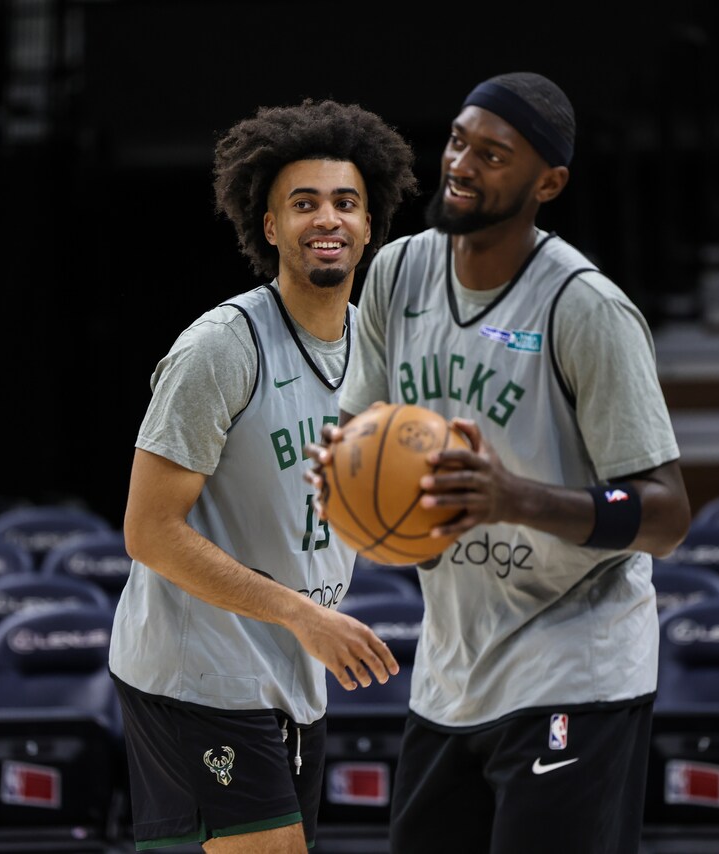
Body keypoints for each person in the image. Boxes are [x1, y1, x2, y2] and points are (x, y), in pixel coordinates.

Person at [306, 71, 692, 853]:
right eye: (457, 140)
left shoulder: (584, 308)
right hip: (452, 668)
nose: (462, 164)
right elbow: (359, 428)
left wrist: (512, 498)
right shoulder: (397, 273)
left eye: (493, 154)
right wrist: (339, 471)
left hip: (576, 663)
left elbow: (667, 515)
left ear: (547, 182)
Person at [108, 98, 419, 853]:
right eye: (304, 203)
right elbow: (148, 533)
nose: (328, 219)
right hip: (198, 672)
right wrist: (304, 616)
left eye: (346, 202)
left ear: (370, 223)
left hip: (292, 672)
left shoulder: (381, 355)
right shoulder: (222, 348)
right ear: (270, 225)